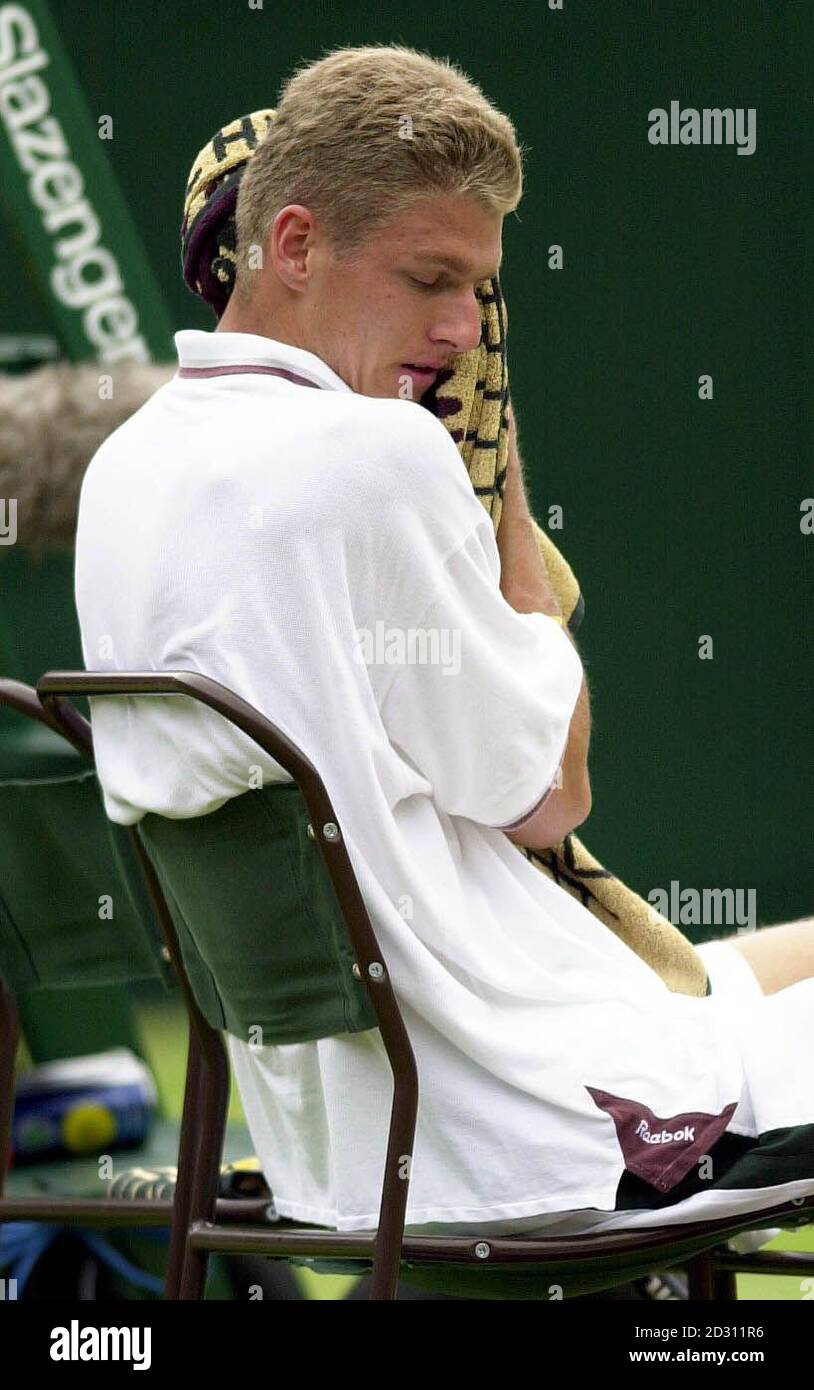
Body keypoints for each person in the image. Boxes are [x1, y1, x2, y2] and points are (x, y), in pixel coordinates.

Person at [74, 44, 814, 1246]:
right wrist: (496, 467)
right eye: (433, 279)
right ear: (297, 246)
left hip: (351, 1160)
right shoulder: (381, 456)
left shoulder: (123, 470)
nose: (468, 330)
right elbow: (549, 795)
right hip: (543, 1139)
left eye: (481, 292)